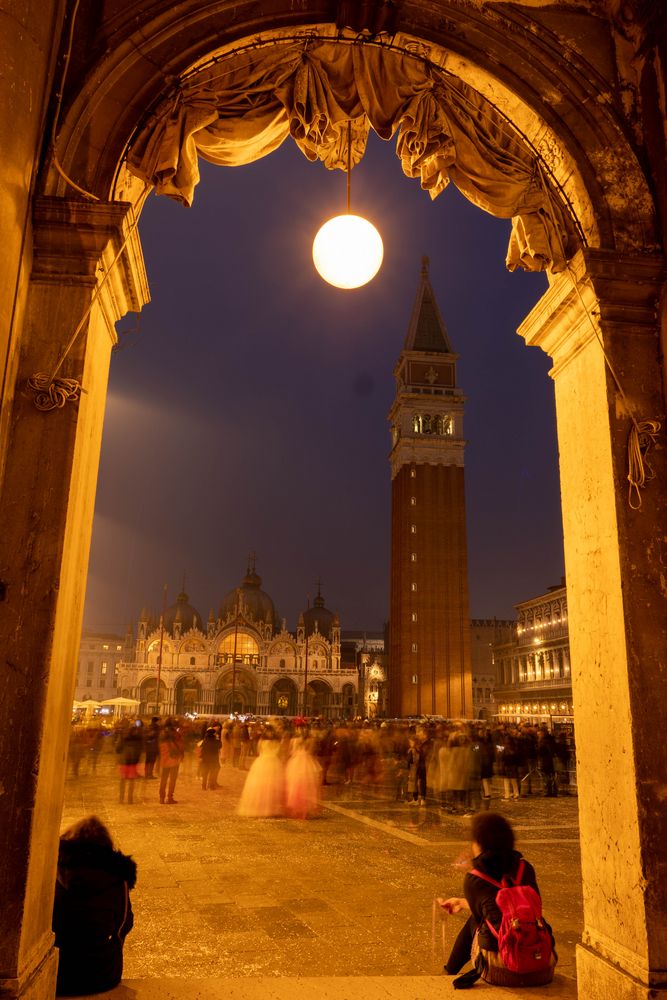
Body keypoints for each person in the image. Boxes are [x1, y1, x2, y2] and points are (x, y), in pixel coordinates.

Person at [437, 812, 554, 987]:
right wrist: (461, 902)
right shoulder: (525, 868)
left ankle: (448, 971)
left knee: (475, 923)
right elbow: (526, 907)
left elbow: (484, 917)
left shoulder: (474, 879)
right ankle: (448, 970)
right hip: (539, 961)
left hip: (500, 968)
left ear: (480, 844)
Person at [52, 815, 136, 996]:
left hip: (57, 974)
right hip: (102, 975)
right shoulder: (117, 879)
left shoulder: (51, 871)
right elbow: (124, 923)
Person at [237, 724, 285, 817]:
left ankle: (266, 807)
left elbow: (259, 750)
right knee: (267, 785)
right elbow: (277, 751)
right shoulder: (274, 741)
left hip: (265, 761)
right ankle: (265, 807)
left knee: (267, 785)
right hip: (270, 761)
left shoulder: (263, 740)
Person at [158, 718, 184, 804]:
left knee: (164, 779)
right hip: (174, 758)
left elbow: (159, 746)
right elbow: (180, 745)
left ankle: (161, 798)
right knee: (172, 779)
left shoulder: (162, 734)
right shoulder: (176, 734)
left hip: (164, 758)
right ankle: (170, 797)